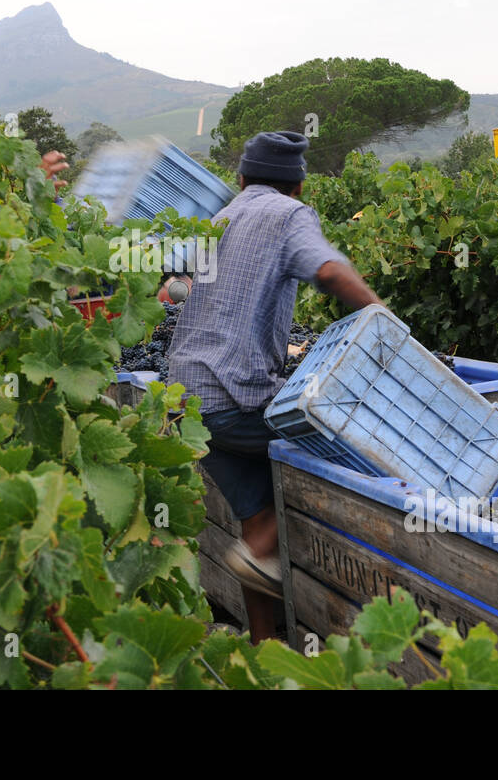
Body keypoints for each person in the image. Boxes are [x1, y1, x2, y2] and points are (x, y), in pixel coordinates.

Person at [166, 131, 384, 644]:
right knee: (349, 444)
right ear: (299, 188)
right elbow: (329, 272)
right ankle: (267, 559)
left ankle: (264, 645)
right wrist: (384, 319)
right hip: (236, 397)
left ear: (241, 180)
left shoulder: (219, 218)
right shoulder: (290, 215)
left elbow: (177, 289)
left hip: (187, 403)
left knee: (257, 516)